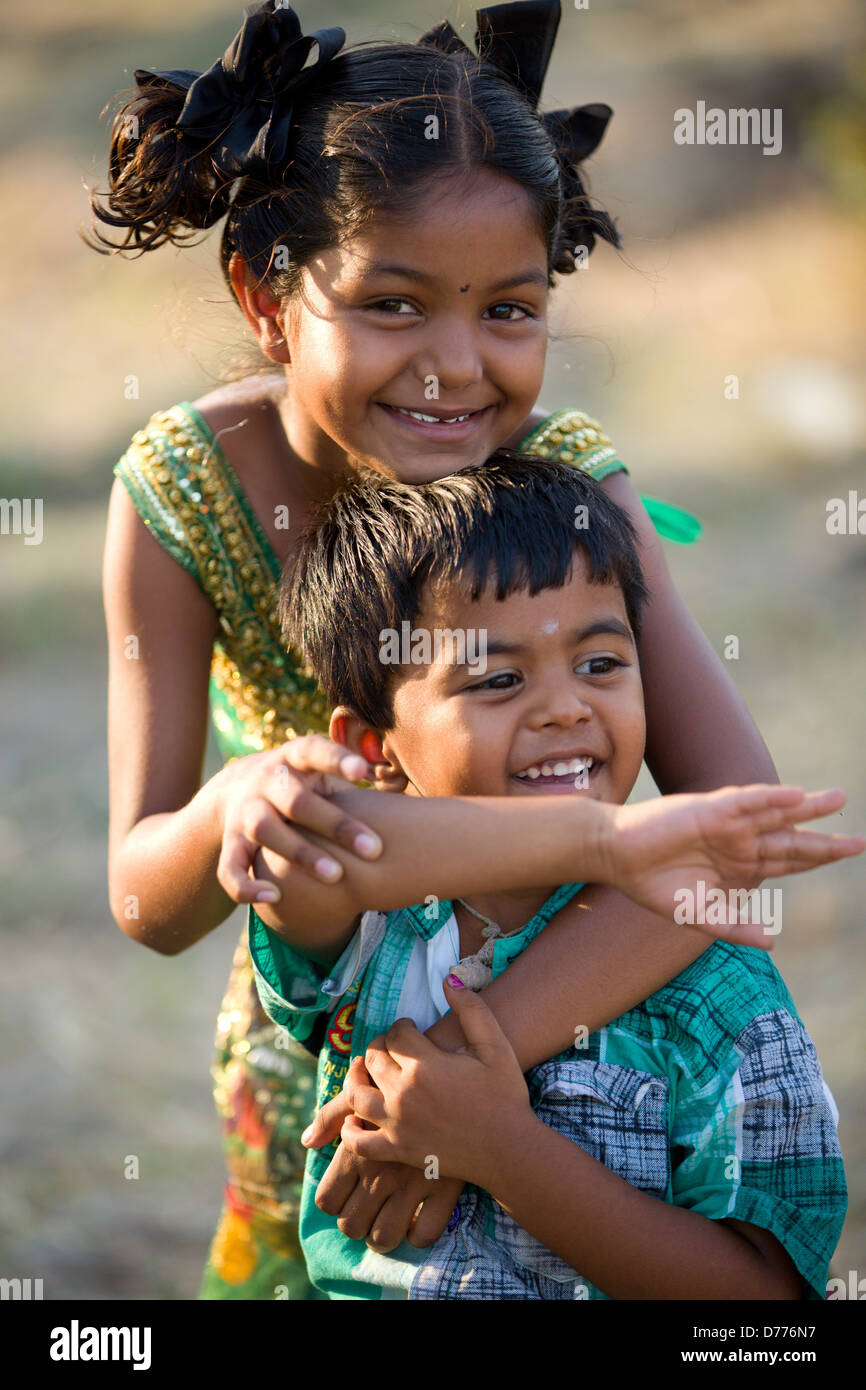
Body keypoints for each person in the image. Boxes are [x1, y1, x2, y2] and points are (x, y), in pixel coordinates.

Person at [92, 1, 787, 1298]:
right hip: (316, 1074)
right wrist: (238, 809)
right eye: (393, 304)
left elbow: (735, 854)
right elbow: (147, 899)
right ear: (264, 297)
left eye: (509, 309)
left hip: (570, 1055)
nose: (455, 367)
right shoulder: (186, 497)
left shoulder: (572, 491)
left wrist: (457, 1084)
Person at [249, 457, 859, 1300]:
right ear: (373, 750)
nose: (566, 709)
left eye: (602, 664)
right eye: (499, 679)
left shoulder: (716, 990)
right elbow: (297, 863)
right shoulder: (371, 930)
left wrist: (501, 1150)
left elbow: (767, 1310)